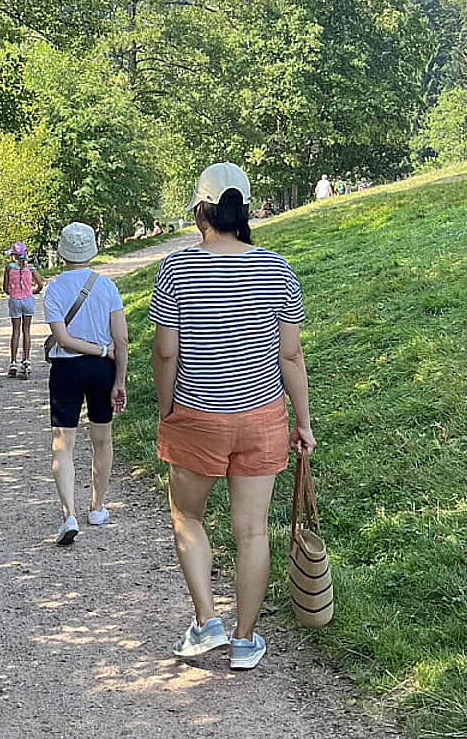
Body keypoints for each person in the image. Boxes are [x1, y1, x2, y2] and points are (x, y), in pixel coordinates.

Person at [149, 162, 314, 672]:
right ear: (242, 209)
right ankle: (245, 640)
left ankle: (206, 623)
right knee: (253, 531)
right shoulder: (278, 268)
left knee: (188, 517)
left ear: (200, 210)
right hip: (262, 416)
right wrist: (303, 422)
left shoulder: (177, 269)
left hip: (197, 414)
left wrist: (166, 408)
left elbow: (165, 352)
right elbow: (291, 356)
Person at [44, 222, 129, 546]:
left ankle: (69, 514)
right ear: (92, 249)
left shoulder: (53, 289)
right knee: (102, 440)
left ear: (63, 251)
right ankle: (97, 507)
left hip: (65, 370)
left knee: (63, 444)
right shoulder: (107, 286)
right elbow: (121, 339)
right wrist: (118, 379)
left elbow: (63, 340)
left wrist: (99, 350)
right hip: (101, 371)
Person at [3, 241, 45, 379]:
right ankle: (26, 360)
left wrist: (13, 292)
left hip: (15, 300)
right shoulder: (30, 268)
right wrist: (32, 292)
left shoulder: (9, 268)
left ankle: (13, 362)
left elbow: (5, 288)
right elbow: (40, 284)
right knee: (26, 330)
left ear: (13, 255)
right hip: (28, 300)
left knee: (15, 331)